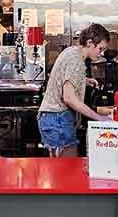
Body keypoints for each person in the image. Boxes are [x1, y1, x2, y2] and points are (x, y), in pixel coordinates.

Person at [37, 23, 111, 157]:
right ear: (89, 43)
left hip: (52, 117)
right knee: (67, 171)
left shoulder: (72, 51)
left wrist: (84, 80)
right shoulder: (76, 61)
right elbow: (69, 99)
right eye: (100, 48)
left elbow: (64, 76)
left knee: (62, 171)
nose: (102, 53)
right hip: (57, 119)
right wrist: (99, 118)